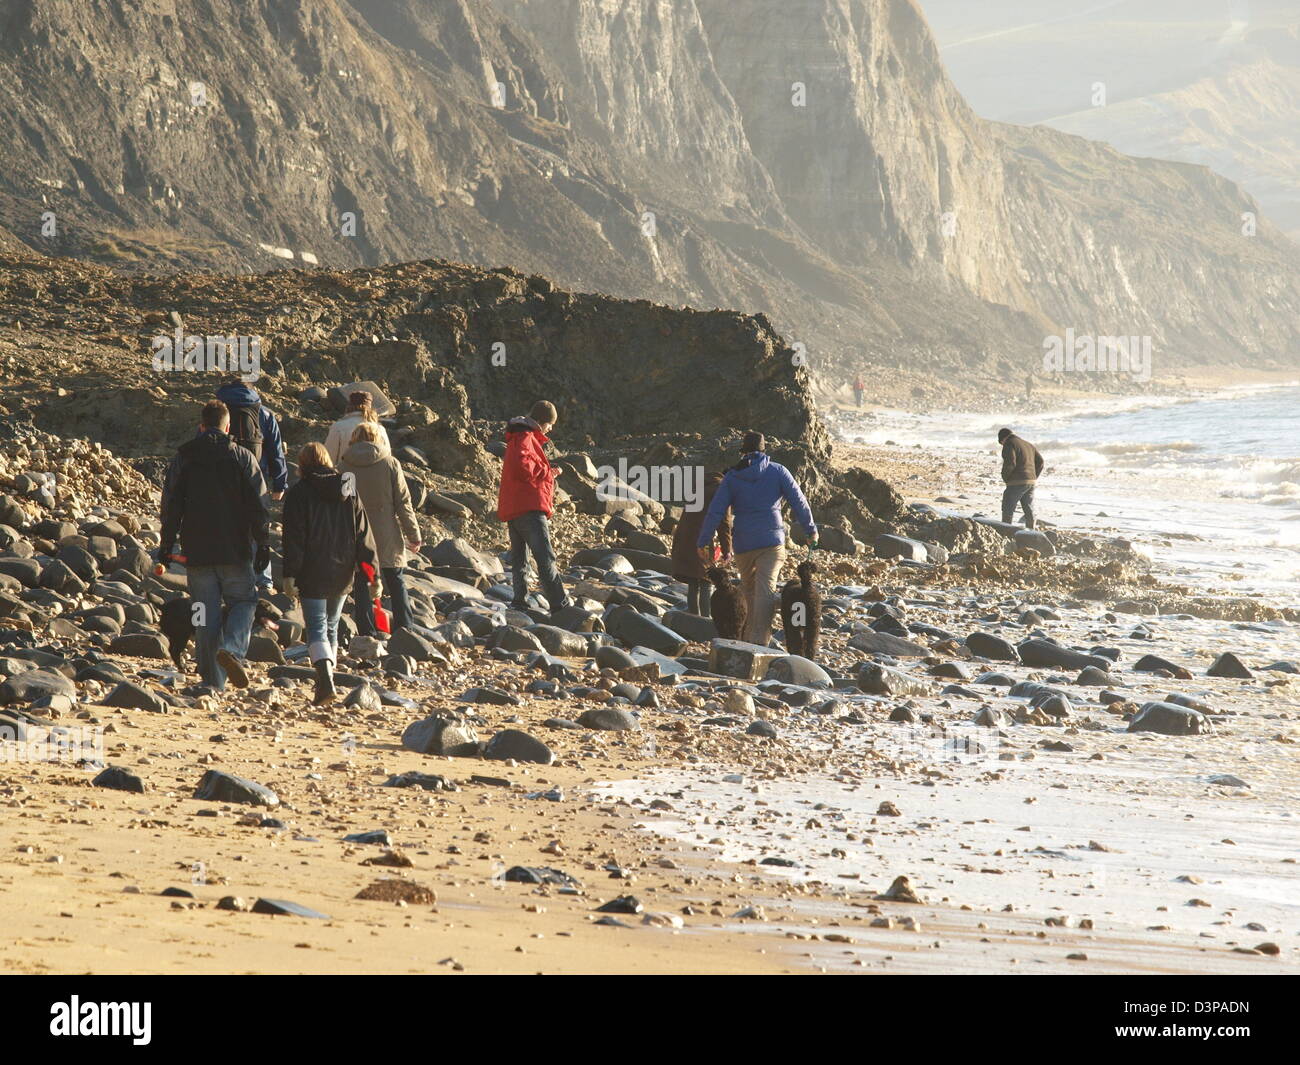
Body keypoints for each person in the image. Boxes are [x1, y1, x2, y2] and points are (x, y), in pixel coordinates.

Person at [159, 399, 270, 691]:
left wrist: (166, 544)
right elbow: (260, 505)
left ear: (201, 425)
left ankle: (212, 683)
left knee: (202, 614)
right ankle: (233, 649)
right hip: (236, 549)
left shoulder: (184, 457)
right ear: (228, 426)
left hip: (197, 552)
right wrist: (263, 545)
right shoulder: (243, 457)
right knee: (244, 602)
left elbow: (171, 504)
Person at [696, 431, 817, 646]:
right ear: (764, 450)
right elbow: (799, 500)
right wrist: (810, 530)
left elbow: (716, 511)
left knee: (749, 591)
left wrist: (704, 541)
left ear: (743, 452)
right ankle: (758, 644)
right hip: (772, 542)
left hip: (744, 543)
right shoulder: (778, 471)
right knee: (765, 592)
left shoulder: (732, 476)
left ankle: (744, 640)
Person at [281, 443, 379, 704]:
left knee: (316, 628)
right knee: (332, 626)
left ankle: (325, 680)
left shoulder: (299, 493)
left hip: (312, 570)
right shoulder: (348, 489)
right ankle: (329, 680)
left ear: (302, 465)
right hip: (342, 570)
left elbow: (294, 538)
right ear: (327, 461)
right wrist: (372, 575)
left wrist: (290, 574)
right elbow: (363, 536)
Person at [340, 422, 422, 635]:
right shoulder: (390, 463)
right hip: (386, 532)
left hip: (356, 532)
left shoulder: (345, 466)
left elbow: (343, 503)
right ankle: (405, 629)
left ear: (354, 439)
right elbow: (403, 502)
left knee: (361, 581)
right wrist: (414, 535)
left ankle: (366, 632)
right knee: (395, 580)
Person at [497, 399, 570, 614]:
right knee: (545, 557)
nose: (551, 428)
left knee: (521, 559)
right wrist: (550, 472)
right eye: (550, 423)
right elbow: (524, 468)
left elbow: (522, 466)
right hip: (529, 508)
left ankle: (520, 601)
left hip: (515, 507)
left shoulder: (518, 436)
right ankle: (560, 605)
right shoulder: (525, 437)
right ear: (541, 421)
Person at [216, 379, 288, 591]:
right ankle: (262, 581)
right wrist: (280, 484)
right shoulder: (263, 413)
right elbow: (276, 451)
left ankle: (226, 576)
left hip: (223, 478)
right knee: (259, 526)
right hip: (258, 478)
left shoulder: (220, 410)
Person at [670, 471, 732, 617]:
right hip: (702, 539)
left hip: (683, 536)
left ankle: (693, 619)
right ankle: (705, 620)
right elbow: (724, 523)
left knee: (693, 580)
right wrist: (727, 550)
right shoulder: (722, 490)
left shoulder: (699, 485)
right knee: (706, 580)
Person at [325, 390, 391, 466]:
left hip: (346, 475)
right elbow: (387, 457)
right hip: (375, 475)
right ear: (370, 408)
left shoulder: (338, 427)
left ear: (349, 406)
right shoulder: (380, 429)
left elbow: (329, 458)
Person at [998, 427, 1044, 529]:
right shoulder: (1028, 444)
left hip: (1016, 481)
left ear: (1003, 439)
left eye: (1001, 443)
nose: (1002, 445)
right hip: (1031, 481)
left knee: (1008, 507)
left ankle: (1005, 532)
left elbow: (1010, 463)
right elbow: (1040, 461)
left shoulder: (1009, 443)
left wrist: (1006, 478)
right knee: (1029, 509)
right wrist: (1034, 476)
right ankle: (1031, 533)